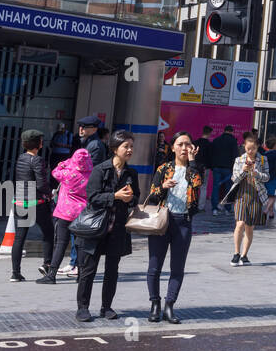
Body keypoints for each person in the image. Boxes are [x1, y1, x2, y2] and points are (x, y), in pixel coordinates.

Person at [75, 130, 138, 322]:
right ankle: (83, 308)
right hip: (95, 228)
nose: (129, 150)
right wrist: (115, 196)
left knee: (113, 270)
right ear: (114, 148)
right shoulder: (100, 170)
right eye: (125, 146)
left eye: (131, 147)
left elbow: (136, 198)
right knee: (88, 270)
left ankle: (106, 307)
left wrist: (130, 198)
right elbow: (92, 197)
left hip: (117, 228)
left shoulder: (131, 173)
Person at [145, 132, 204, 323]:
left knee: (177, 267)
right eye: (180, 144)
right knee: (154, 266)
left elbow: (197, 184)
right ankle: (155, 304)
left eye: (188, 144)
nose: (184, 148)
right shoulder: (164, 168)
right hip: (162, 220)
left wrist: (193, 162)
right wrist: (163, 186)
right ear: (173, 147)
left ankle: (170, 305)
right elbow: (152, 196)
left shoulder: (194, 169)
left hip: (183, 221)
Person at [39, 147, 93, 282]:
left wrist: (66, 163)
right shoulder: (92, 174)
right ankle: (81, 275)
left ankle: (51, 275)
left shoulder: (68, 173)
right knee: (80, 245)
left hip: (65, 213)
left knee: (61, 244)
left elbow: (54, 172)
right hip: (82, 213)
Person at [10, 130, 54, 282]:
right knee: (48, 233)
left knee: (19, 238)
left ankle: (15, 273)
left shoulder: (21, 158)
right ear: (39, 143)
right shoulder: (37, 160)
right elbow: (41, 183)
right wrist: (50, 193)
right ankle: (47, 264)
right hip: (36, 203)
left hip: (20, 202)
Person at [230, 132, 269, 264]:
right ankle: (236, 253)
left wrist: (256, 173)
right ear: (244, 146)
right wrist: (244, 171)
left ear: (257, 147)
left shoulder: (263, 160)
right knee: (239, 223)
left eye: (253, 148)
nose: (251, 151)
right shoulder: (239, 160)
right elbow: (234, 179)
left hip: (256, 196)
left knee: (249, 227)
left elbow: (267, 177)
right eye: (248, 149)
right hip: (241, 195)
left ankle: (244, 255)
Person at [209, 125, 239, 215]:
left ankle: (214, 208)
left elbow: (211, 154)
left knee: (215, 188)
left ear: (224, 131)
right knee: (228, 189)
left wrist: (212, 166)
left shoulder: (216, 140)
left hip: (216, 167)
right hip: (228, 168)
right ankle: (227, 208)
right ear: (232, 131)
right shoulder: (233, 141)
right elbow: (235, 156)